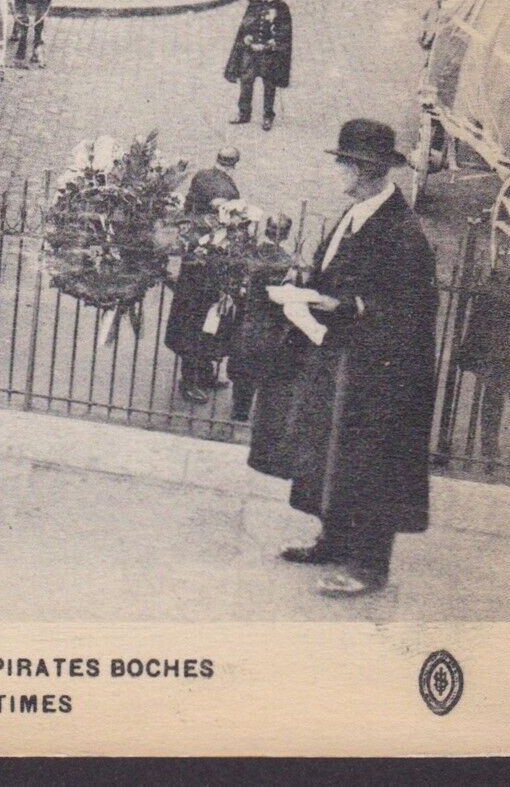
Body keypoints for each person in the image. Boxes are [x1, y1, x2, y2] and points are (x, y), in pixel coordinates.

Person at [248, 120, 437, 598]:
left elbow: (410, 309)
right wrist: (307, 286)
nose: (337, 170)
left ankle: (369, 566)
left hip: (380, 374)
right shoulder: (353, 214)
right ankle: (332, 541)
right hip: (342, 359)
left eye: (344, 163)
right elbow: (334, 273)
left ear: (366, 170)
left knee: (372, 463)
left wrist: (347, 306)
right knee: (332, 455)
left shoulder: (402, 232)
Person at [166, 147, 242, 402]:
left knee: (206, 320)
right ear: (234, 164)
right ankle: (189, 381)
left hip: (202, 262)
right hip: (203, 265)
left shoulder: (202, 176)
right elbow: (218, 202)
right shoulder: (225, 189)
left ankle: (204, 373)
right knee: (196, 321)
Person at [225, 213, 296, 421]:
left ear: (266, 230)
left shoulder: (252, 253)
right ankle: (261, 413)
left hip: (247, 319)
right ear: (286, 235)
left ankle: (240, 410)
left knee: (243, 368)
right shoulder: (286, 261)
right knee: (265, 368)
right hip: (271, 323)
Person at [224, 0, 293, 131]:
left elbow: (284, 32)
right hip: (251, 51)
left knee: (269, 84)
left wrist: (268, 44)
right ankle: (244, 113)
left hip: (269, 53)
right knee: (246, 81)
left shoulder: (281, 8)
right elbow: (246, 24)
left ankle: (268, 116)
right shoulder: (254, 4)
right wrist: (247, 37)